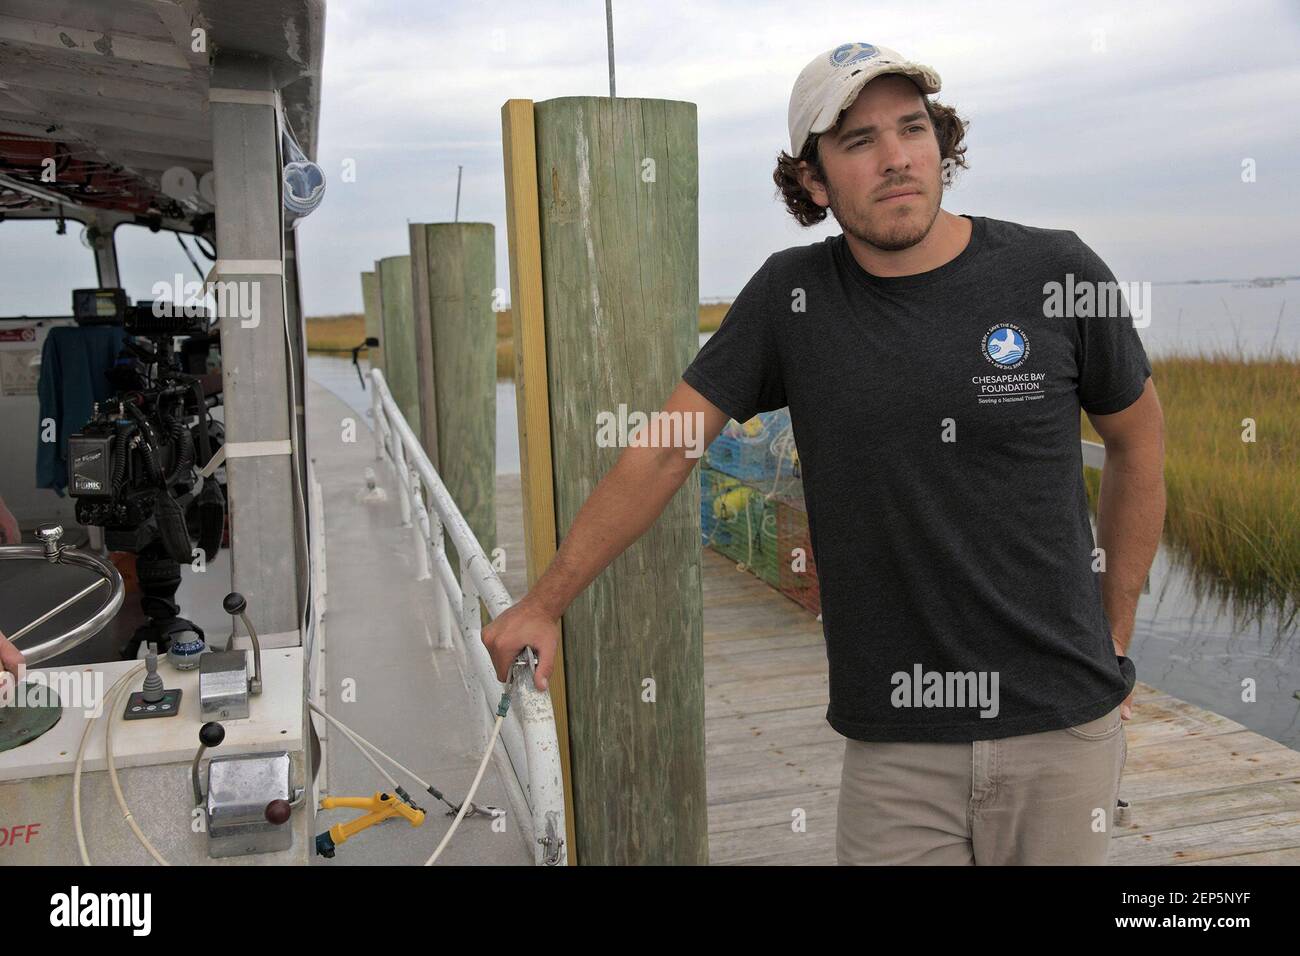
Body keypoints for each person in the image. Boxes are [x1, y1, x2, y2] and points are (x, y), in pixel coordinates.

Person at [483, 41, 1165, 865]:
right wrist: (546, 601)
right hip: (895, 740)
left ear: (940, 141)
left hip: (1063, 723)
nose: (896, 158)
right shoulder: (791, 297)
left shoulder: (1055, 269)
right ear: (812, 180)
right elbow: (665, 449)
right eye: (858, 142)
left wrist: (1115, 628)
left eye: (912, 129)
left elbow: (1138, 443)